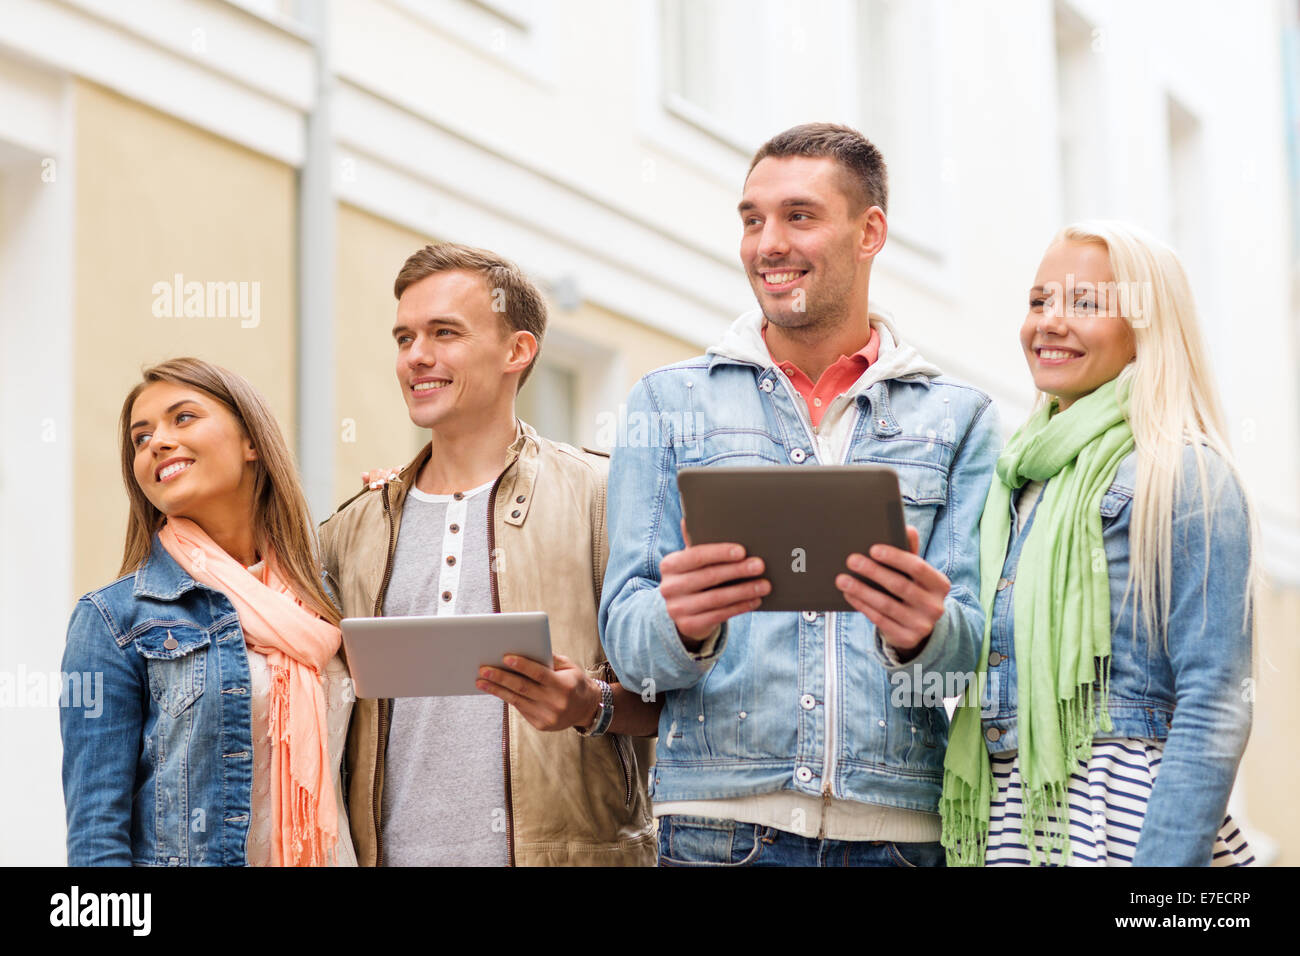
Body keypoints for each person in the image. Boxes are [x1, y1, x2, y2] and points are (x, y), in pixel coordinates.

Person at [599, 122, 1001, 866]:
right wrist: (680, 625)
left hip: (899, 836)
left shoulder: (959, 419)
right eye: (752, 220)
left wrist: (922, 631)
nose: (766, 244)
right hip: (716, 832)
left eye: (798, 216)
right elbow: (631, 648)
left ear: (869, 231)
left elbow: (975, 645)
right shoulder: (666, 403)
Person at [320, 242, 660, 867]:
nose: (415, 356)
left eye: (443, 333)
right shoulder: (350, 531)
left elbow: (689, 697)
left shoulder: (606, 499)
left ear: (517, 351)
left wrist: (593, 705)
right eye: (404, 338)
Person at [941, 221, 1256, 866]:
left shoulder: (1185, 472)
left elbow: (1216, 701)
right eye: (1038, 302)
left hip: (1119, 826)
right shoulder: (1013, 477)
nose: (1050, 322)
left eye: (1085, 304)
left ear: (1147, 326)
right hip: (1006, 824)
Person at [60, 357, 355, 866]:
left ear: (252, 442)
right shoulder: (113, 620)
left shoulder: (326, 596)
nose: (157, 441)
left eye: (183, 418)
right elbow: (95, 838)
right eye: (140, 436)